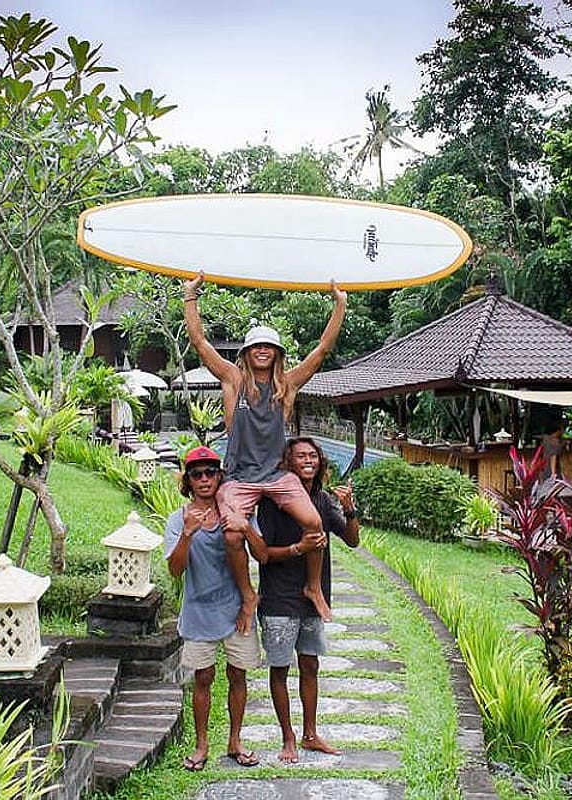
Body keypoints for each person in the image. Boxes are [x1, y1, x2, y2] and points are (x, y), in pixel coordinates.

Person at [183, 271, 347, 622]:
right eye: (256, 346)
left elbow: (321, 352)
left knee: (315, 524)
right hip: (239, 478)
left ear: (277, 354)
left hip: (276, 475)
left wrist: (340, 305)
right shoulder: (233, 379)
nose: (262, 350)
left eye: (268, 347)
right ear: (246, 353)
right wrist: (190, 297)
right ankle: (248, 595)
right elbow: (199, 343)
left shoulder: (286, 386)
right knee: (231, 534)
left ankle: (313, 587)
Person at [256, 437, 360, 763]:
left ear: (321, 462)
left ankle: (310, 734)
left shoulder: (324, 500)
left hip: (313, 601)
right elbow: (262, 554)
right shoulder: (273, 502)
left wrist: (350, 508)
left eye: (313, 456)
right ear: (288, 462)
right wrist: (297, 549)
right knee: (279, 669)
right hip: (279, 597)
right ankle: (288, 738)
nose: (308, 460)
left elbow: (353, 540)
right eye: (300, 455)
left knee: (310, 665)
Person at [164, 445, 268, 771]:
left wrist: (244, 524)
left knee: (238, 675)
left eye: (211, 472)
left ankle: (235, 740)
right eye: (197, 474)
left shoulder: (237, 509)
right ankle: (201, 744)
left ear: (220, 476)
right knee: (203, 678)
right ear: (188, 481)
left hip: (237, 608)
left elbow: (262, 554)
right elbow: (175, 570)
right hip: (198, 611)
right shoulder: (177, 519)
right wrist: (188, 534)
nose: (205, 479)